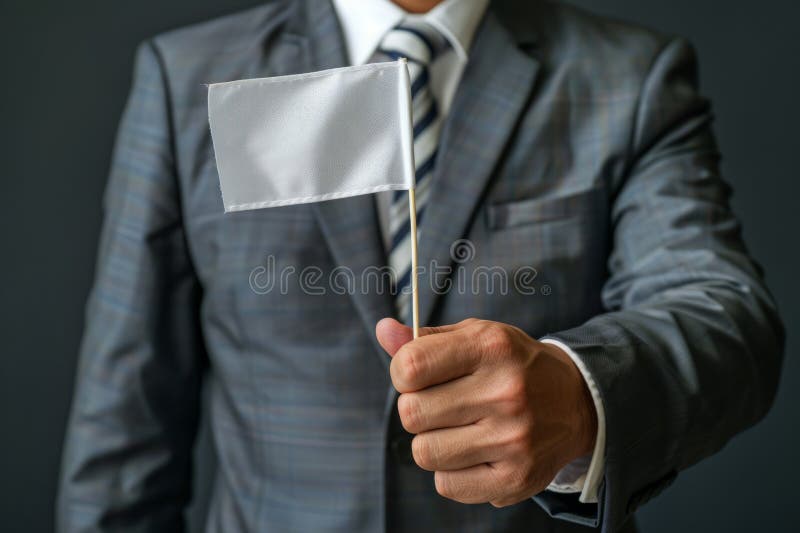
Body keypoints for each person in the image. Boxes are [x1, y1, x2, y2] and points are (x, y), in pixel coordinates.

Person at [57, 0, 784, 532]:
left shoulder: (628, 79)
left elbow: (725, 311)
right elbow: (124, 428)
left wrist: (578, 392)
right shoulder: (186, 78)